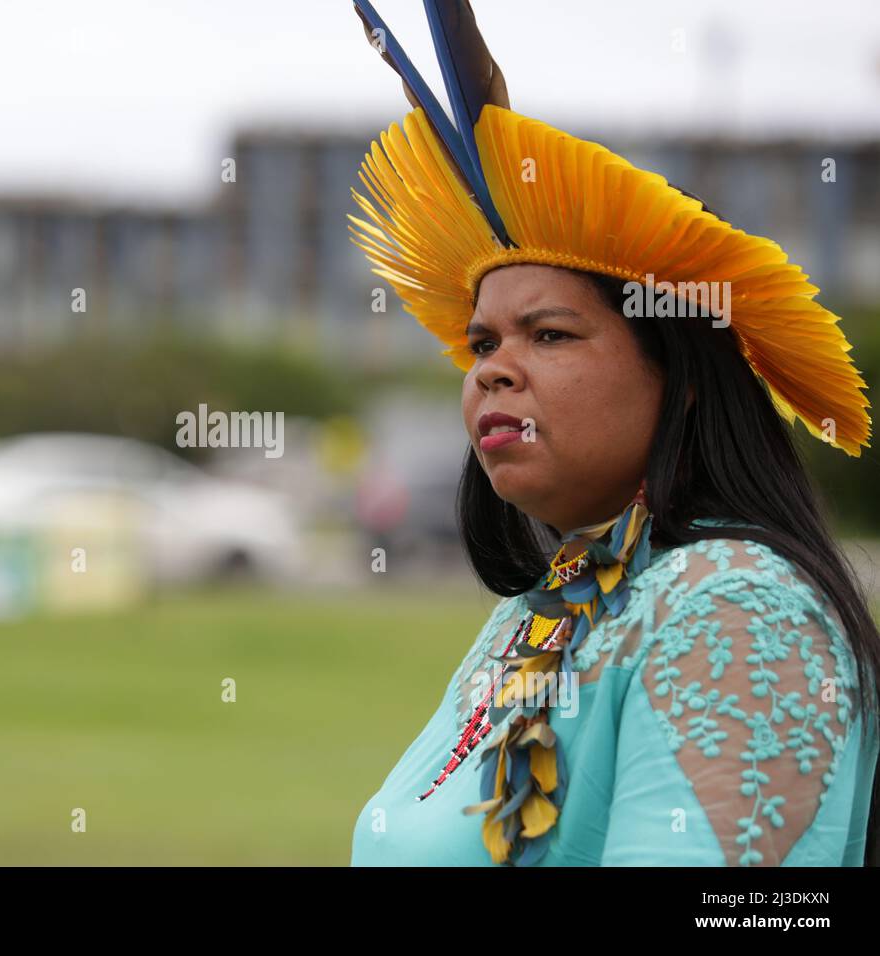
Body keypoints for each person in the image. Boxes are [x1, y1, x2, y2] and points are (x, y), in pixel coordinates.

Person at [345, 0, 879, 866]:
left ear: (688, 382)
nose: (492, 369)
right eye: (483, 343)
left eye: (549, 334)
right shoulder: (545, 607)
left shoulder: (737, 606)